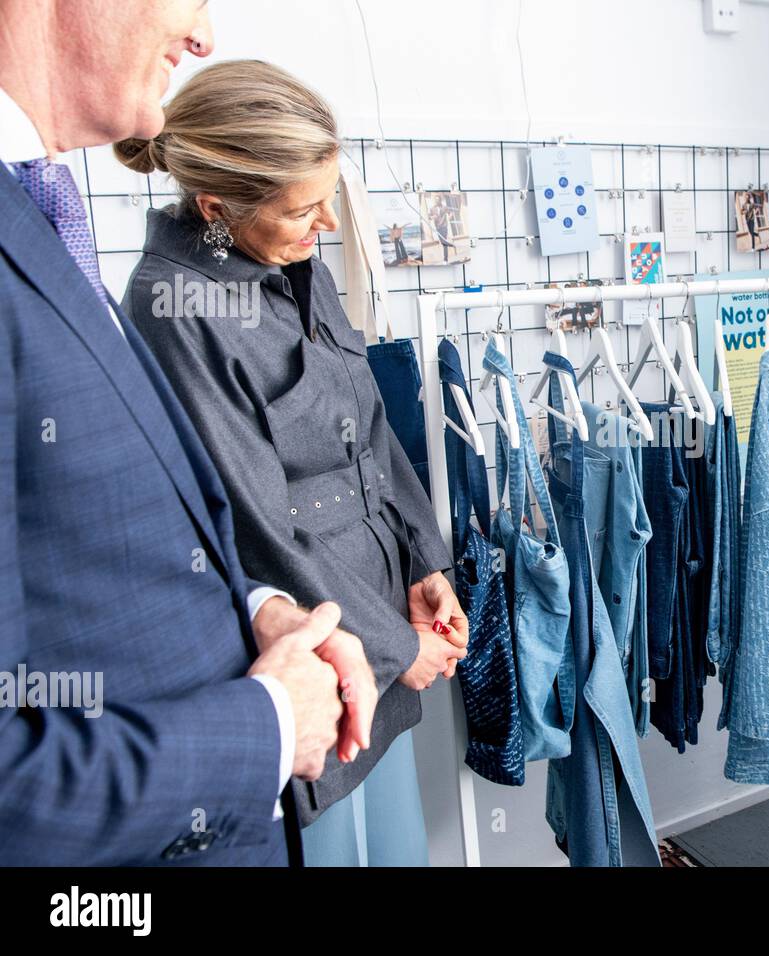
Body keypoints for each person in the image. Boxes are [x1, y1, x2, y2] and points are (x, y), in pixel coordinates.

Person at [0, 0, 377, 866]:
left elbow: (107, 547)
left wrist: (260, 613)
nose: (203, 36)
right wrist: (270, 723)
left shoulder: (43, 214)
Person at [117, 59, 470, 867]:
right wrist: (393, 645)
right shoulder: (176, 306)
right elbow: (251, 520)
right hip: (314, 656)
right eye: (303, 210)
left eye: (327, 202)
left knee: (400, 854)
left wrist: (424, 565)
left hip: (380, 624)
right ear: (215, 209)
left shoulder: (292, 262)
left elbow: (374, 428)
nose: (326, 227)